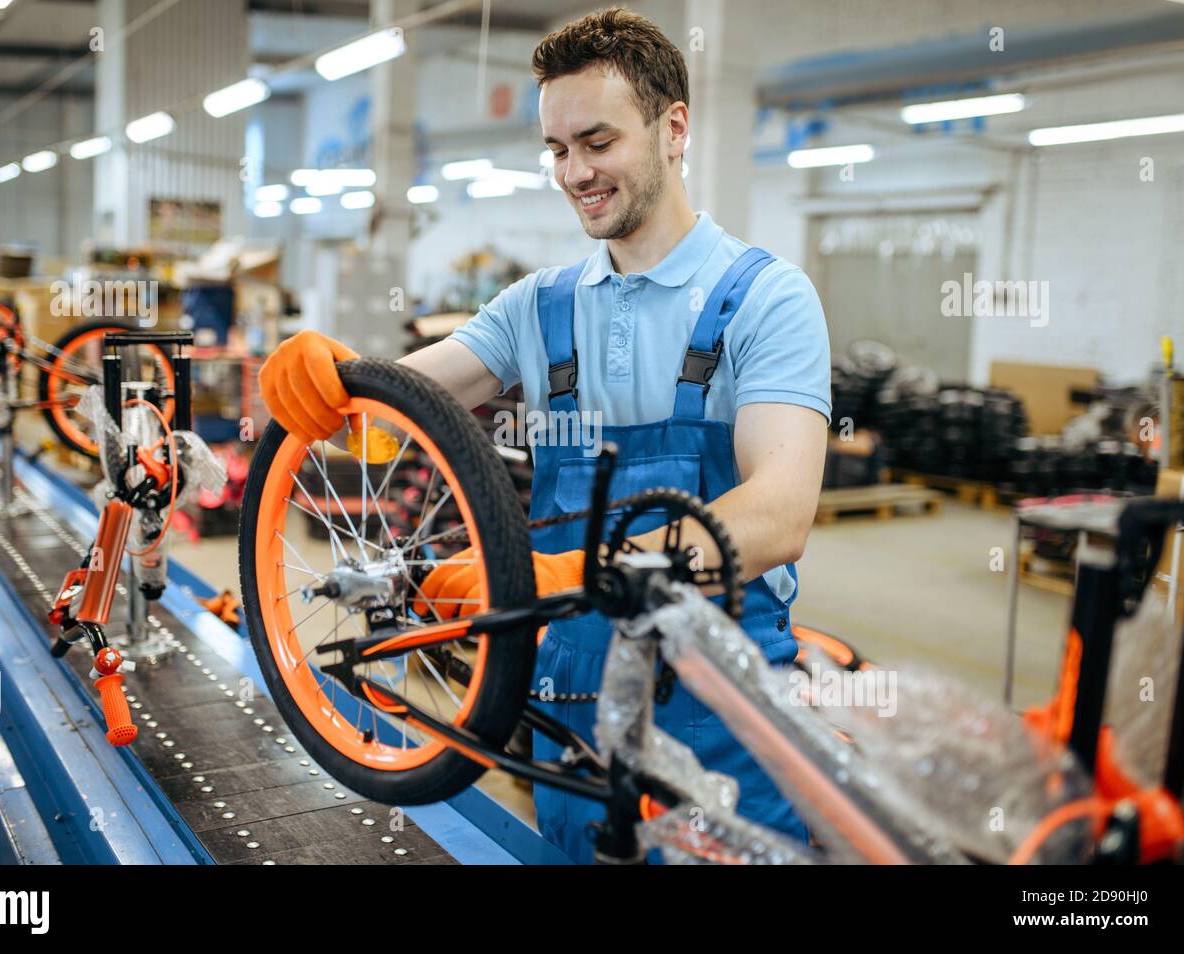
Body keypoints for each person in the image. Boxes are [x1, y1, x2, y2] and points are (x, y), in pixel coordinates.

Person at [260, 7, 831, 864]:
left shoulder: (766, 299)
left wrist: (568, 573)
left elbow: (779, 513)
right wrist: (334, 375)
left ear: (674, 128)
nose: (574, 173)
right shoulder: (541, 306)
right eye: (557, 149)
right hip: (569, 694)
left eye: (597, 142)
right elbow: (407, 391)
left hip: (718, 706)